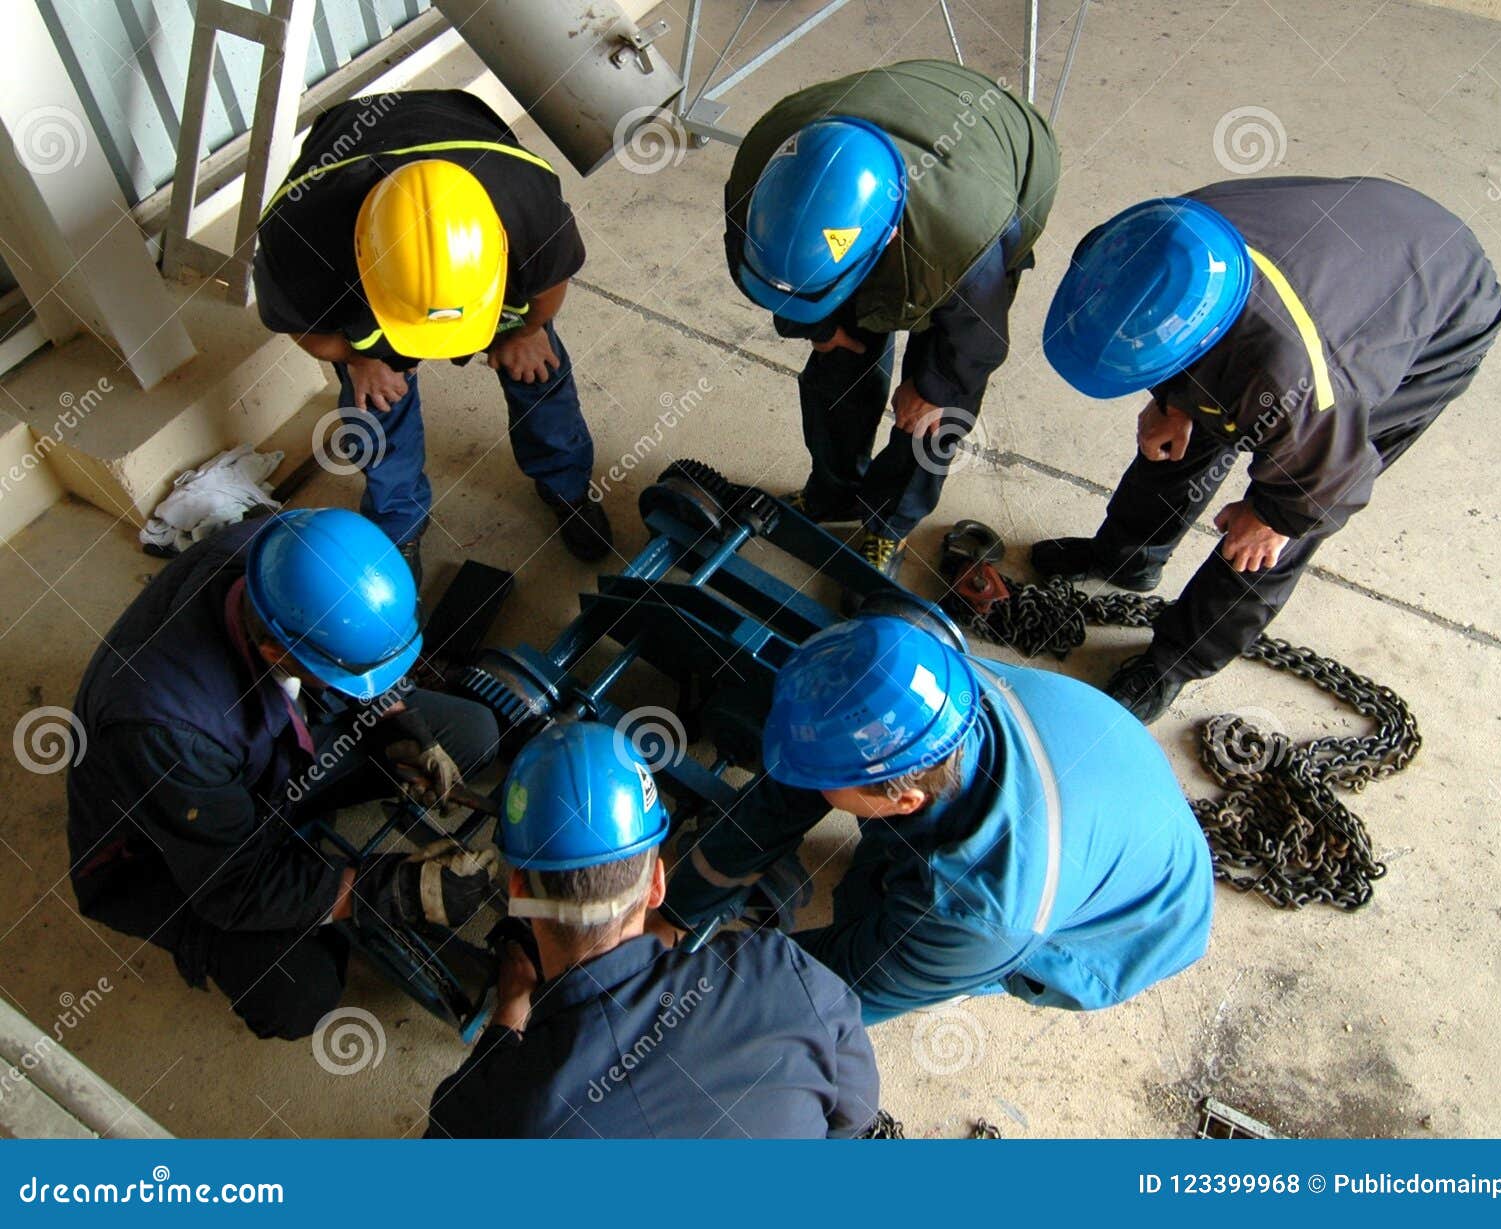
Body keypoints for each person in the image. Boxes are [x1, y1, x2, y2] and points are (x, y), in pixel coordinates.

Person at [1032, 176, 1501, 721]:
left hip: (1444, 304)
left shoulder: (1299, 382)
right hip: (1356, 246)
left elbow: (1331, 481)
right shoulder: (1148, 243)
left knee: (1269, 535)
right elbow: (1151, 333)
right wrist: (1172, 399)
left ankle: (1178, 658)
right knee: (1182, 430)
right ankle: (1127, 557)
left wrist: (1272, 517)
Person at [67, 509, 500, 1041]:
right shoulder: (164, 725)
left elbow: (350, 652)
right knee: (297, 994)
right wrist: (392, 892)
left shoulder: (286, 551)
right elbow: (233, 885)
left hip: (261, 749)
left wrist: (403, 726)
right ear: (279, 652)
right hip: (169, 845)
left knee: (473, 733)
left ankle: (304, 846)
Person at [660, 616, 1214, 1023]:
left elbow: (827, 989)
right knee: (876, 882)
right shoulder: (927, 685)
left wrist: (675, 991)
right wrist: (677, 913)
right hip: (1111, 778)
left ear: (903, 801)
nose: (802, 785)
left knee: (906, 948)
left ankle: (972, 979)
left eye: (821, 780)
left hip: (1133, 922)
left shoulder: (983, 916)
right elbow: (778, 803)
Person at [427, 722, 879, 1139]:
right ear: (659, 883)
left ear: (518, 888)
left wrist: (508, 1016)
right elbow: (856, 1115)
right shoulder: (778, 971)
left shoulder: (485, 1114)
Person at [253, 89, 613, 573]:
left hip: (463, 132)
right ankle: (398, 524)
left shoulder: (528, 202)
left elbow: (550, 283)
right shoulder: (297, 235)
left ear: (502, 243)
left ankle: (566, 486)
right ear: (362, 252)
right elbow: (306, 329)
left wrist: (529, 329)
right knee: (376, 400)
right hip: (359, 223)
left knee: (538, 366)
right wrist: (361, 360)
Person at [724, 61, 1059, 578]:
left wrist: (933, 386)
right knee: (835, 363)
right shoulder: (759, 177)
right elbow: (761, 269)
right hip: (881, 131)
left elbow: (978, 340)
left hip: (996, 156)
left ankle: (890, 523)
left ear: (890, 238)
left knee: (931, 415)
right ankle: (833, 494)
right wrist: (818, 327)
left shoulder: (961, 245)